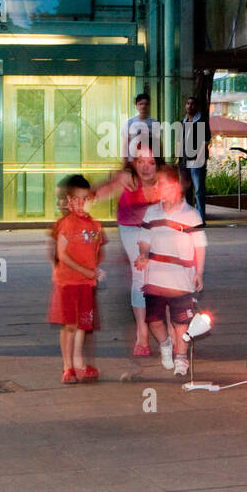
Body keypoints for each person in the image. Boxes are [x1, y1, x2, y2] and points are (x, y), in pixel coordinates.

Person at [135, 165, 206, 377]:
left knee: (180, 321)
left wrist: (198, 272)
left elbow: (200, 245)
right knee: (154, 320)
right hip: (155, 277)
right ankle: (165, 344)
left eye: (161, 183)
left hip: (181, 280)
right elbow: (144, 241)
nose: (156, 187)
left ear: (175, 186)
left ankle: (181, 358)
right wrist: (143, 255)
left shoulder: (191, 215)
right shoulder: (151, 212)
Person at [91, 146, 160, 356]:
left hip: (156, 227)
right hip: (131, 227)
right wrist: (88, 196)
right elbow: (106, 190)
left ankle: (168, 330)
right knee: (140, 275)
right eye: (141, 161)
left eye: (151, 162)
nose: (146, 167)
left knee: (160, 277)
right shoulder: (127, 178)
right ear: (133, 162)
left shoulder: (164, 179)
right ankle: (142, 333)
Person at [50, 175, 106, 384]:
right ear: (69, 201)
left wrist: (94, 271)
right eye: (76, 199)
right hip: (68, 282)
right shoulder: (66, 224)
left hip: (86, 283)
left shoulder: (93, 226)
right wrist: (86, 270)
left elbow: (94, 251)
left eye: (85, 199)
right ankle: (67, 367)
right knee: (70, 326)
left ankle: (78, 363)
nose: (81, 204)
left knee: (83, 324)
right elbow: (62, 255)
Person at [178, 96, 210, 222]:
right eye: (187, 103)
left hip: (197, 162)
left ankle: (201, 219)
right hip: (184, 161)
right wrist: (178, 158)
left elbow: (205, 141)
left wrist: (199, 156)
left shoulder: (201, 121)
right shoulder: (183, 122)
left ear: (196, 106)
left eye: (192, 104)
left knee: (198, 191)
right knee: (186, 191)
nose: (190, 106)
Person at [121, 93, 161, 163]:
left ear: (149, 106)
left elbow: (158, 143)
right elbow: (125, 145)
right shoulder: (129, 123)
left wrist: (161, 161)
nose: (143, 106)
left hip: (150, 161)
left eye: (146, 104)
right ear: (136, 106)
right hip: (133, 161)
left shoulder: (155, 123)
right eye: (140, 104)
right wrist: (125, 162)